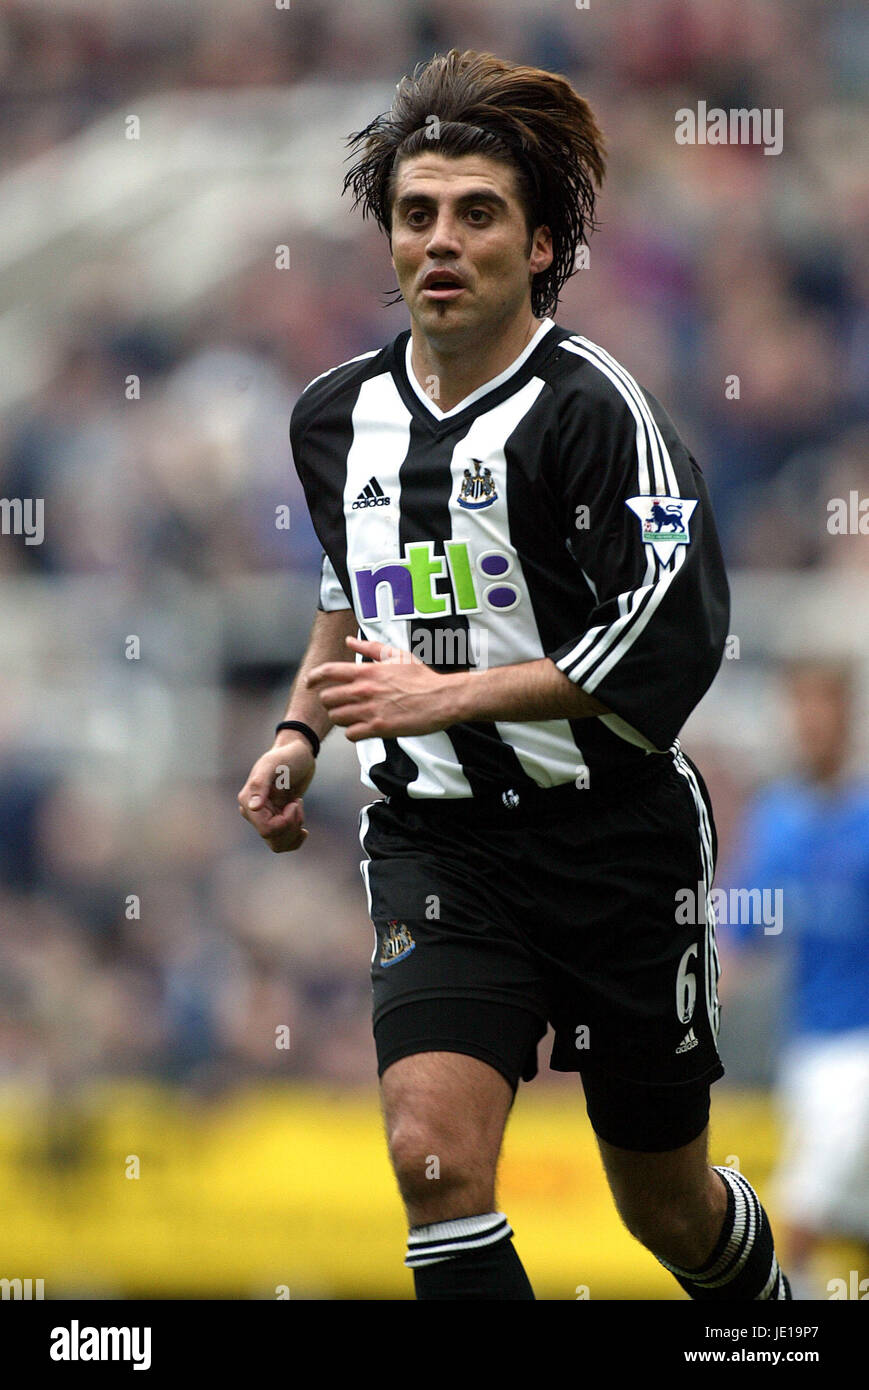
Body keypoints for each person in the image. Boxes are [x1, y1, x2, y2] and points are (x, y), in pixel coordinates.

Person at [239, 48, 790, 1300]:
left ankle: (765, 1311)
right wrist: (297, 732)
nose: (439, 240)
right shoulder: (332, 417)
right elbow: (350, 586)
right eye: (415, 214)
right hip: (438, 842)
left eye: (476, 213)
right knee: (433, 1162)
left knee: (664, 1208)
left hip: (615, 842)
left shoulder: (593, 410)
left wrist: (447, 696)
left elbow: (665, 624)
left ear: (540, 246)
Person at [720, 659, 869, 1298]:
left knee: (800, 1217)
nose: (808, 726)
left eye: (821, 711)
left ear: (846, 719)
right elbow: (739, 929)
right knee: (856, 1224)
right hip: (809, 1049)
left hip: (861, 1050)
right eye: (799, 712)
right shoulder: (778, 821)